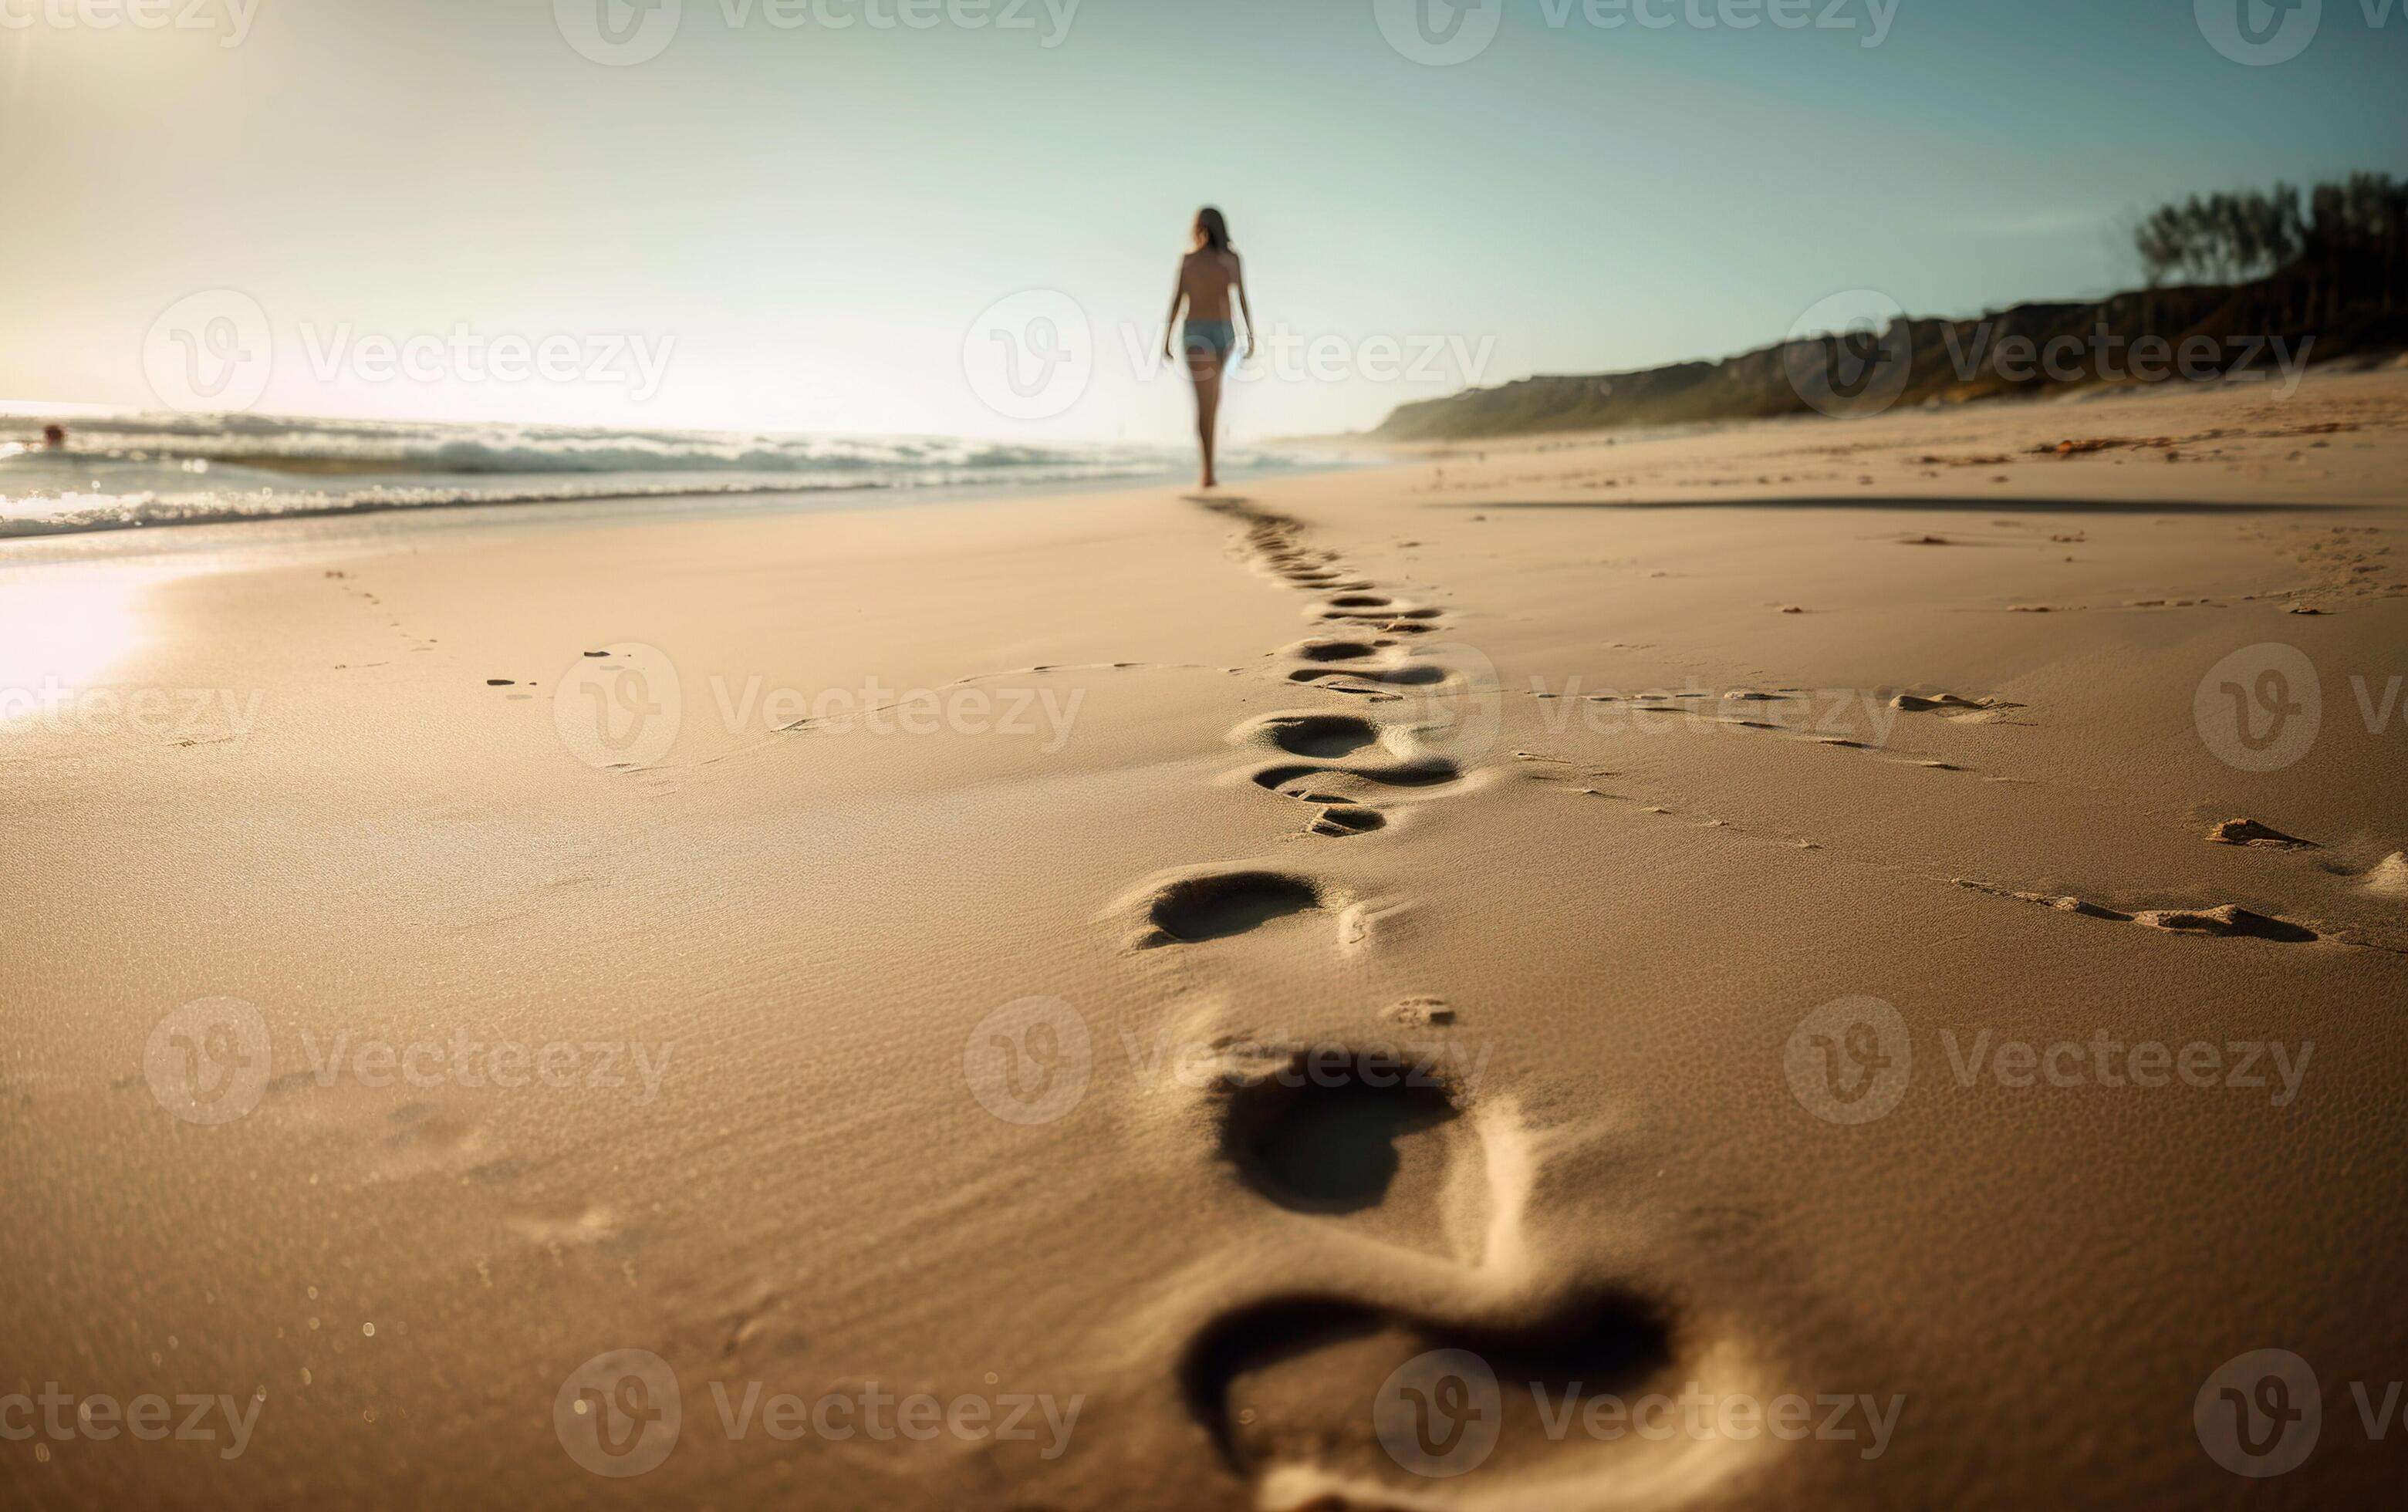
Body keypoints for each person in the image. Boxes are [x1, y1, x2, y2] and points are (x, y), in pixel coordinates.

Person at [1161, 207, 1254, 488]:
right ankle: (1208, 471)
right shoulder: (1193, 260)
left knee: (1212, 402)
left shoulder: (1228, 259)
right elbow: (1178, 300)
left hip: (1223, 333)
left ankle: (1209, 470)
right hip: (1201, 334)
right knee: (1206, 403)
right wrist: (1166, 338)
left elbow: (1241, 297)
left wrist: (1250, 334)